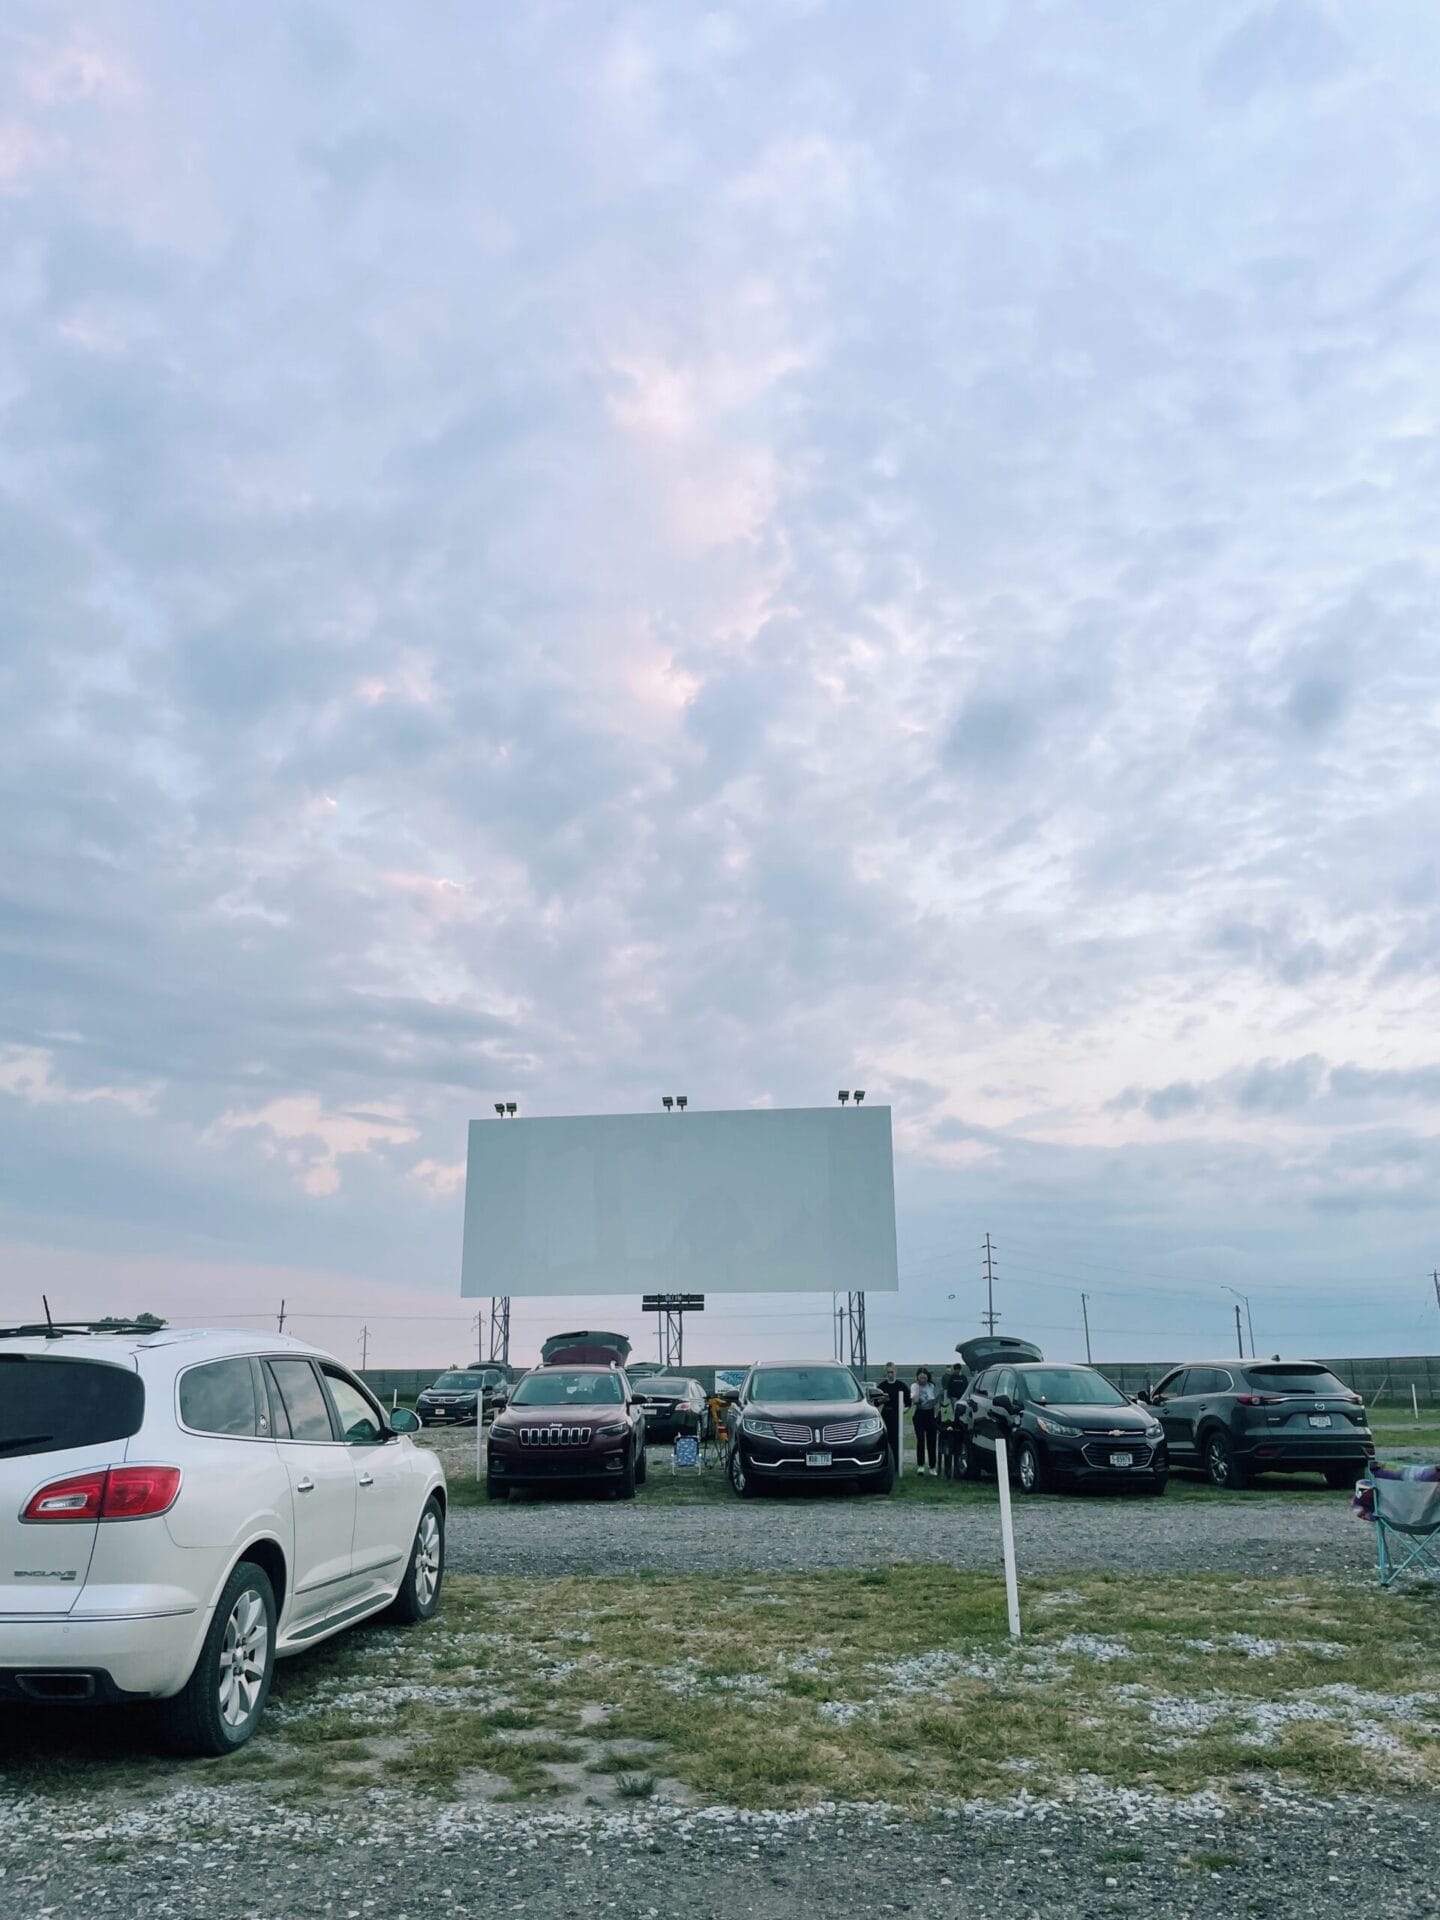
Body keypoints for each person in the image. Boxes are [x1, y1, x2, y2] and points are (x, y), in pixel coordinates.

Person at [874, 1361, 910, 1471]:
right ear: (886, 1373)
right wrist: (881, 1400)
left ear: (895, 1372)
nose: (890, 1374)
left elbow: (908, 1403)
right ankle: (886, 1466)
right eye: (888, 1372)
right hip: (885, 1415)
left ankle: (897, 1466)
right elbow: (875, 1403)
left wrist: (903, 1411)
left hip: (897, 1416)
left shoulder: (902, 1386)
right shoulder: (881, 1386)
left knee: (897, 1441)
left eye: (892, 1372)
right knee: (886, 1441)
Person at [911, 1366, 941, 1475]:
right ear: (917, 1378)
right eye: (921, 1378)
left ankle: (932, 1466)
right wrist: (918, 1387)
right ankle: (920, 1465)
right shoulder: (914, 1386)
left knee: (932, 1441)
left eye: (924, 1377)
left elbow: (937, 1401)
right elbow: (915, 1400)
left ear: (928, 1377)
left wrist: (936, 1415)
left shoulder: (932, 1386)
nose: (923, 1380)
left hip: (930, 1415)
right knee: (920, 1440)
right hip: (919, 1414)